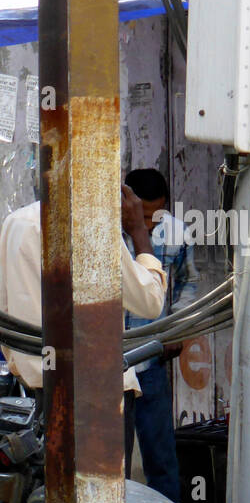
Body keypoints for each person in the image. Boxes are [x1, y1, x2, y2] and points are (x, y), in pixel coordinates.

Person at [0, 190, 167, 450]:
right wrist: (139, 233)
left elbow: (6, 313)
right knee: (104, 489)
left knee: (51, 487)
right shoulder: (91, 224)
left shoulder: (15, 222)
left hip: (42, 391)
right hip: (102, 394)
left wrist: (26, 371)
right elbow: (150, 300)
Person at [122, 168, 197, 503]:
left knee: (161, 457)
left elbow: (188, 284)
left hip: (150, 359)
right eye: (144, 215)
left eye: (158, 214)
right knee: (110, 460)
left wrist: (176, 328)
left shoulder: (177, 234)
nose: (150, 223)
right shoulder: (102, 231)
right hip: (107, 365)